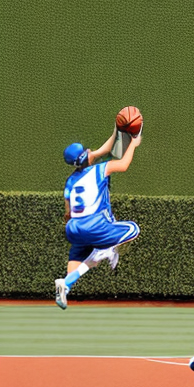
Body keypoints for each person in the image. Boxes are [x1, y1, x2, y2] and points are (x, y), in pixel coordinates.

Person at [55, 127, 143, 310]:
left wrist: (116, 130)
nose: (89, 150)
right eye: (86, 150)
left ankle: (66, 285)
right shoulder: (100, 169)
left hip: (74, 227)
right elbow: (123, 165)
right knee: (133, 229)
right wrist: (133, 144)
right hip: (94, 225)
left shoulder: (70, 181)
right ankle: (104, 250)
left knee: (77, 256)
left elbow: (68, 211)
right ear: (84, 156)